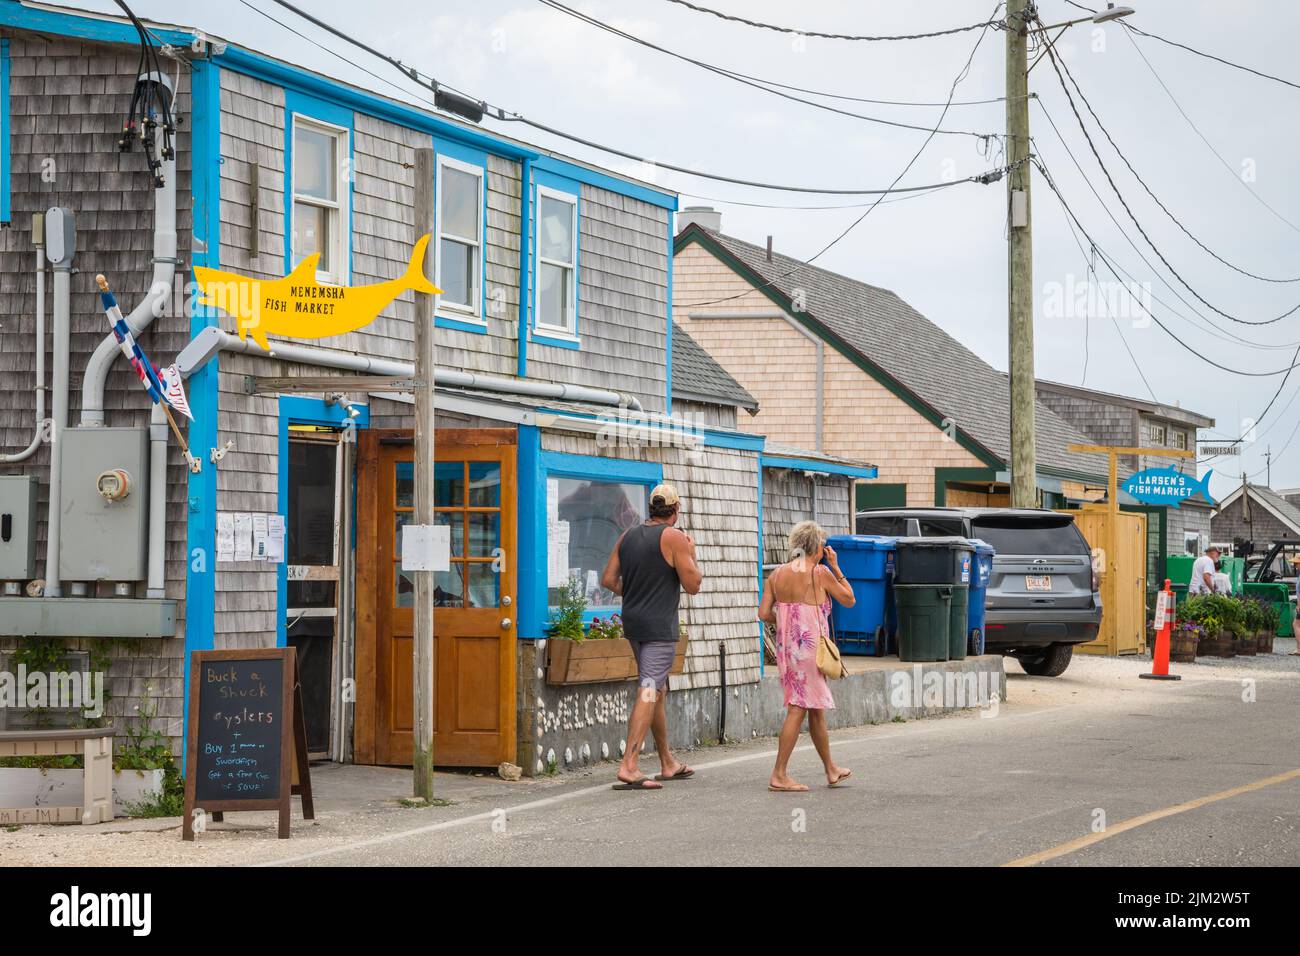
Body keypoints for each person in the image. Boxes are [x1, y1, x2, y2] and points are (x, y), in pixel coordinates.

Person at [600, 483, 702, 790]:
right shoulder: (674, 537)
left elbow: (608, 579)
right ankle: (629, 765)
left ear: (651, 507)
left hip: (634, 622)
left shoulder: (627, 535)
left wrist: (631, 593)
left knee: (656, 688)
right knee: (649, 688)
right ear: (675, 510)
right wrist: (691, 554)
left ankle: (667, 762)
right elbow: (693, 585)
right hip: (659, 626)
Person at [759, 520, 856, 793]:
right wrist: (836, 567)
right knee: (798, 708)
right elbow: (849, 599)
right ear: (817, 548)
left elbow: (763, 612)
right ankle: (779, 774)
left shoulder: (776, 575)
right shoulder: (820, 572)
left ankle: (830, 768)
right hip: (810, 649)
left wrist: (786, 622)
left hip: (788, 649)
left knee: (814, 710)